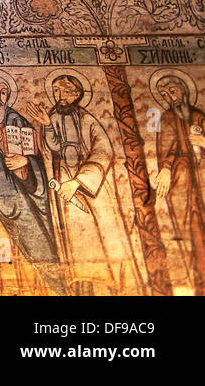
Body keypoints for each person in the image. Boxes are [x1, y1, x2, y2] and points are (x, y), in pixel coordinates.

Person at [24, 75, 144, 294]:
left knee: (102, 238)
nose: (60, 97)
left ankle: (106, 288)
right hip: (64, 182)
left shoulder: (87, 119)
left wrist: (79, 181)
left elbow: (103, 150)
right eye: (56, 91)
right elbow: (51, 148)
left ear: (76, 94)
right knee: (74, 240)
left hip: (90, 185)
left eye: (65, 91)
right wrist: (47, 126)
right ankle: (82, 287)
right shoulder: (52, 117)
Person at [0, 73, 65, 294]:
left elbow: (37, 157)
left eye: (3, 92)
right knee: (2, 249)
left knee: (30, 246)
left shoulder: (18, 121)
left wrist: (26, 162)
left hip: (21, 201)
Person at [152, 73, 205, 293]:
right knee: (186, 230)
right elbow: (166, 146)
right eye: (165, 95)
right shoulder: (165, 118)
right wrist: (165, 168)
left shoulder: (199, 116)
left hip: (202, 176)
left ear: (183, 89)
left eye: (173, 91)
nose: (170, 97)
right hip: (180, 178)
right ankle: (195, 281)